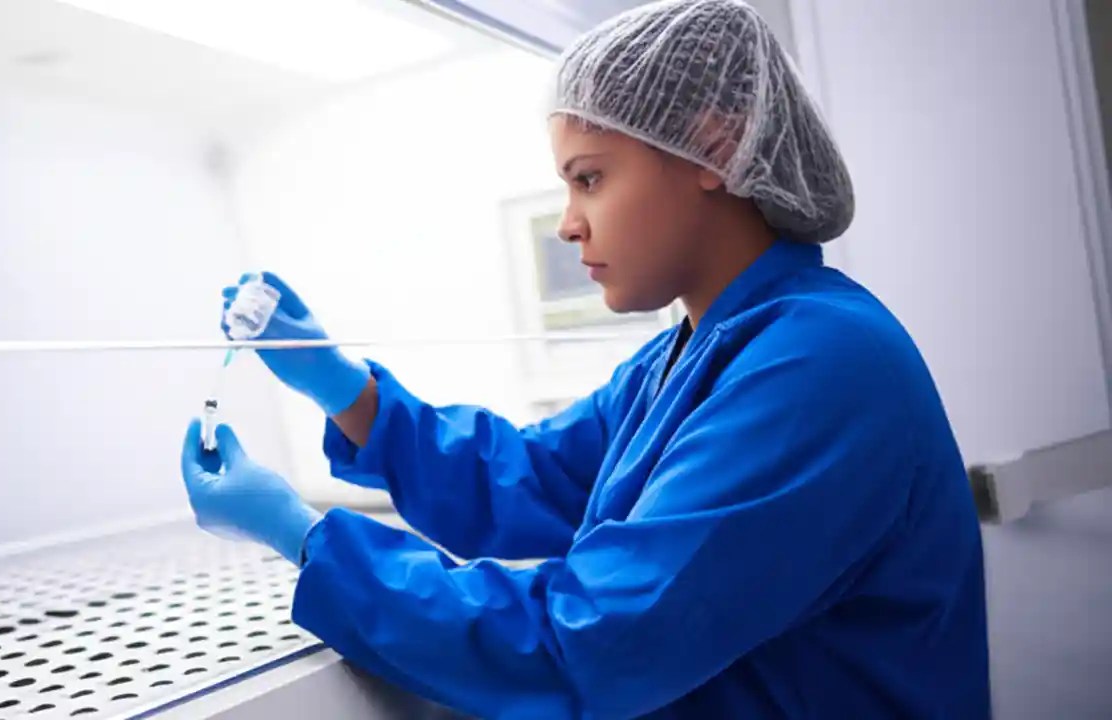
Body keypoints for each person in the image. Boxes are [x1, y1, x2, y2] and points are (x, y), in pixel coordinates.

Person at [180, 0, 992, 717]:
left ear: (716, 147)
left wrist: (302, 535)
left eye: (590, 179)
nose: (569, 225)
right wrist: (338, 383)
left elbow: (591, 639)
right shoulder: (687, 357)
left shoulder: (818, 366)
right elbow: (529, 479)